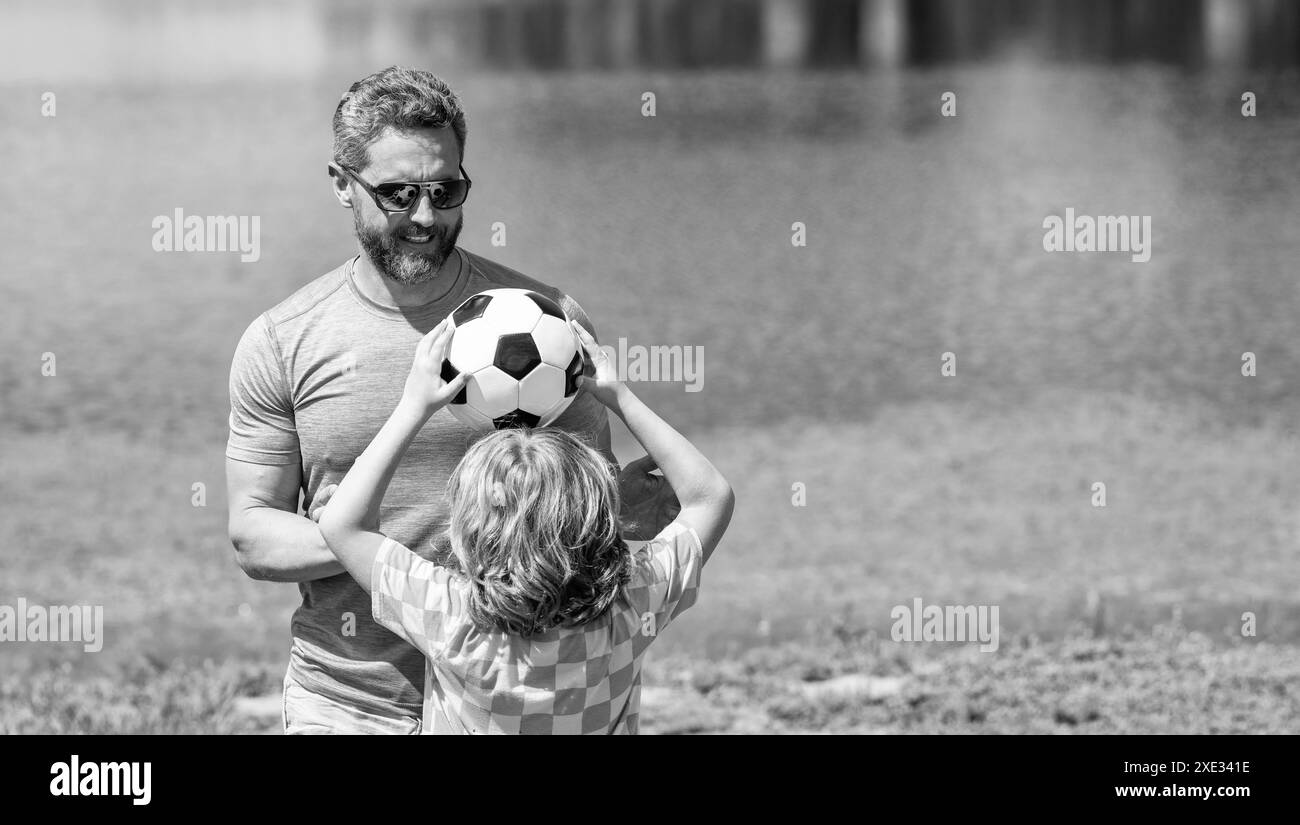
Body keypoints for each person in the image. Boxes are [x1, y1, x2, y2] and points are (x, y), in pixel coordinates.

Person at [225, 66, 678, 734]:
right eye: (397, 193)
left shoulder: (548, 324)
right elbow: (255, 534)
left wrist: (612, 507)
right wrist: (410, 552)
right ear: (340, 184)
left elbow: (571, 503)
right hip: (347, 701)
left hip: (518, 696)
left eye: (446, 189)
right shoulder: (282, 340)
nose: (426, 216)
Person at [314, 319, 734, 734]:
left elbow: (343, 526)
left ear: (472, 528)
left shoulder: (451, 618)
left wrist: (414, 405)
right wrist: (619, 398)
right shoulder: (630, 607)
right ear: (599, 518)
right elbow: (710, 495)